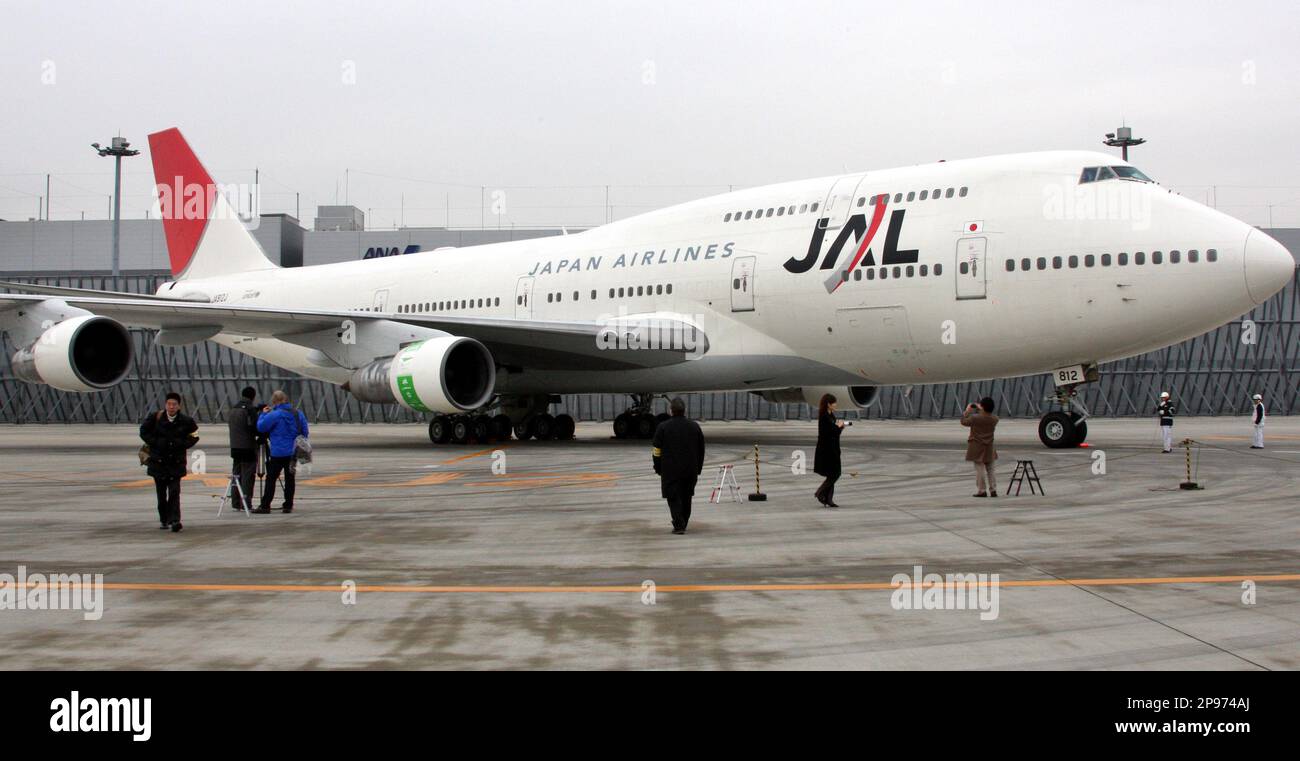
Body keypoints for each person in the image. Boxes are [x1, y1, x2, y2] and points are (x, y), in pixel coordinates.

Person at [139, 391, 199, 532]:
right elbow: (143, 431)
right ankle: (164, 519)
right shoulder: (155, 418)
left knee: (174, 492)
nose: (171, 407)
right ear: (165, 405)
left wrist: (183, 444)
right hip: (158, 462)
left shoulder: (186, 421)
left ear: (179, 406)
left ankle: (175, 520)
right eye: (169, 404)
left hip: (175, 463)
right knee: (161, 495)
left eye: (174, 404)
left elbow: (195, 435)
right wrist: (155, 442)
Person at [651, 397, 705, 535]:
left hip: (670, 471)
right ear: (684, 410)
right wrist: (698, 468)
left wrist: (658, 467)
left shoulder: (663, 427)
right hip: (690, 470)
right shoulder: (695, 427)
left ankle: (679, 524)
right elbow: (701, 450)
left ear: (671, 411)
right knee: (687, 497)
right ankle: (683, 522)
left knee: (673, 497)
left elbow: (656, 450)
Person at [255, 390, 308, 514]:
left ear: (274, 401)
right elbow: (305, 431)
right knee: (290, 479)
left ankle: (265, 505)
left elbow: (261, 427)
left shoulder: (275, 414)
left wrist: (262, 414)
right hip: (293, 451)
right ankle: (288, 505)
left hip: (278, 453)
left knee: (271, 479)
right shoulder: (298, 414)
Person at [227, 386, 259, 511]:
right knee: (248, 476)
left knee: (236, 475)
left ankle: (236, 502)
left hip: (235, 447)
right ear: (253, 396)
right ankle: (246, 502)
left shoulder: (234, 408)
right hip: (247, 447)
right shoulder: (250, 409)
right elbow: (255, 428)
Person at [961, 397, 999, 498]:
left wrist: (967, 411)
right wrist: (981, 408)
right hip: (989, 447)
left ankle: (982, 490)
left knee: (980, 469)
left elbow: (964, 422)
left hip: (977, 446)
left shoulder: (975, 418)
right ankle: (993, 489)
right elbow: (987, 414)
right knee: (991, 469)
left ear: (982, 407)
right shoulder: (995, 419)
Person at [813, 393, 845, 507]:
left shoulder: (831, 416)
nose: (836, 405)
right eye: (834, 403)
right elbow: (831, 432)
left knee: (832, 474)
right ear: (828, 404)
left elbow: (835, 433)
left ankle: (828, 499)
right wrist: (839, 427)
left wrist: (839, 427)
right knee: (835, 473)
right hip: (827, 450)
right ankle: (820, 492)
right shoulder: (824, 417)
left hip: (833, 448)